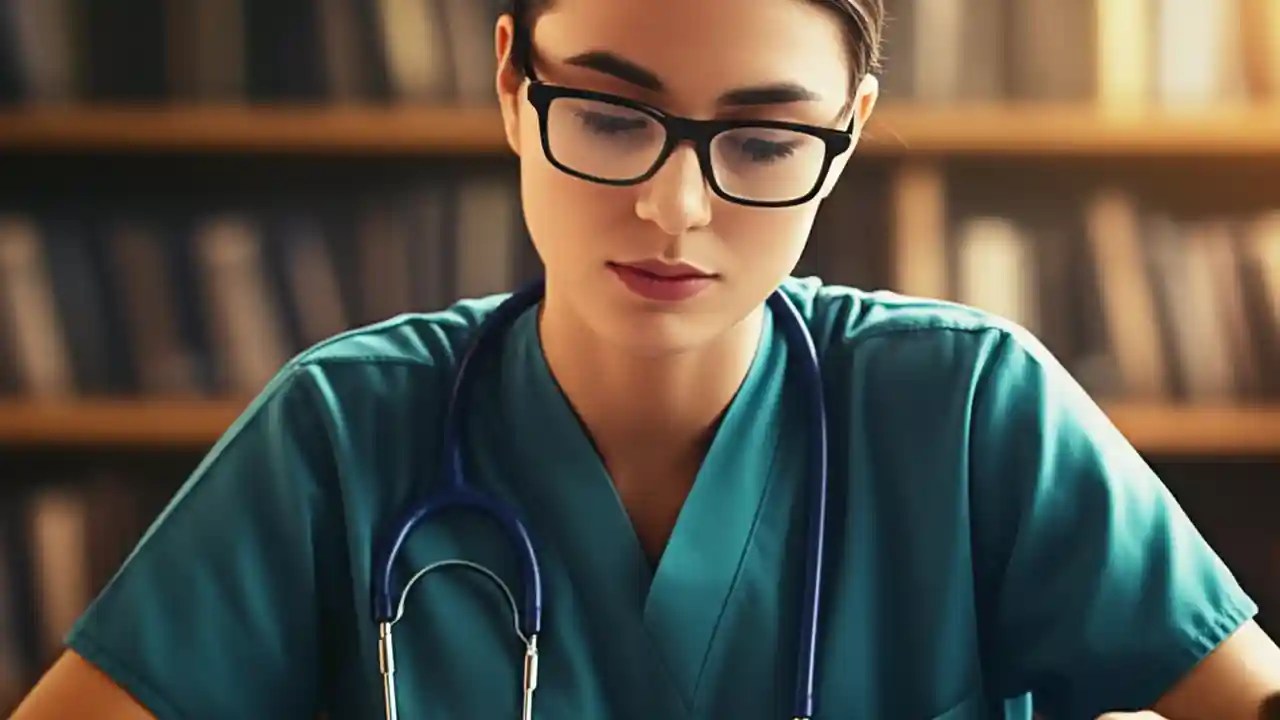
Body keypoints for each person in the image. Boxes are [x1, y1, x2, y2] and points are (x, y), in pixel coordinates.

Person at [12, 0, 1280, 718]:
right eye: (613, 118)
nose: (675, 210)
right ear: (510, 84)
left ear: (849, 136)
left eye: (766, 141)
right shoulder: (342, 431)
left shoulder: (962, 409)